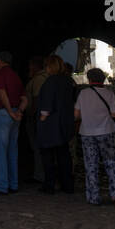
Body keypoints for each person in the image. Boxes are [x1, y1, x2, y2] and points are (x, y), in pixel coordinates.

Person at [74, 66, 115, 205]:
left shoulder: (83, 94)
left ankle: (94, 197)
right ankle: (114, 194)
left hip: (87, 133)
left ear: (89, 80)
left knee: (91, 165)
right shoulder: (109, 94)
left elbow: (76, 114)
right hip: (106, 131)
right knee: (111, 163)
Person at [0, 50, 27, 196]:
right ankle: (13, 184)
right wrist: (18, 112)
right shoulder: (15, 76)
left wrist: (9, 111)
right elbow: (24, 98)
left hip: (3, 114)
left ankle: (2, 185)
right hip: (15, 114)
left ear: (2, 61)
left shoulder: (0, 74)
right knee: (12, 149)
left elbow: (1, 93)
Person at [37, 54, 76, 193]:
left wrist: (42, 118)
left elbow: (47, 104)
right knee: (63, 156)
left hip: (50, 125)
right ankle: (67, 184)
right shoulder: (67, 81)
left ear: (50, 66)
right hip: (64, 123)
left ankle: (50, 185)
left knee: (48, 156)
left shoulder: (50, 82)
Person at [24, 55, 48, 183]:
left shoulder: (39, 79)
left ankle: (40, 175)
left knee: (38, 147)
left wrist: (32, 115)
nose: (28, 68)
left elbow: (36, 99)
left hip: (37, 118)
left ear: (34, 66)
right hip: (41, 117)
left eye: (30, 65)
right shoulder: (44, 77)